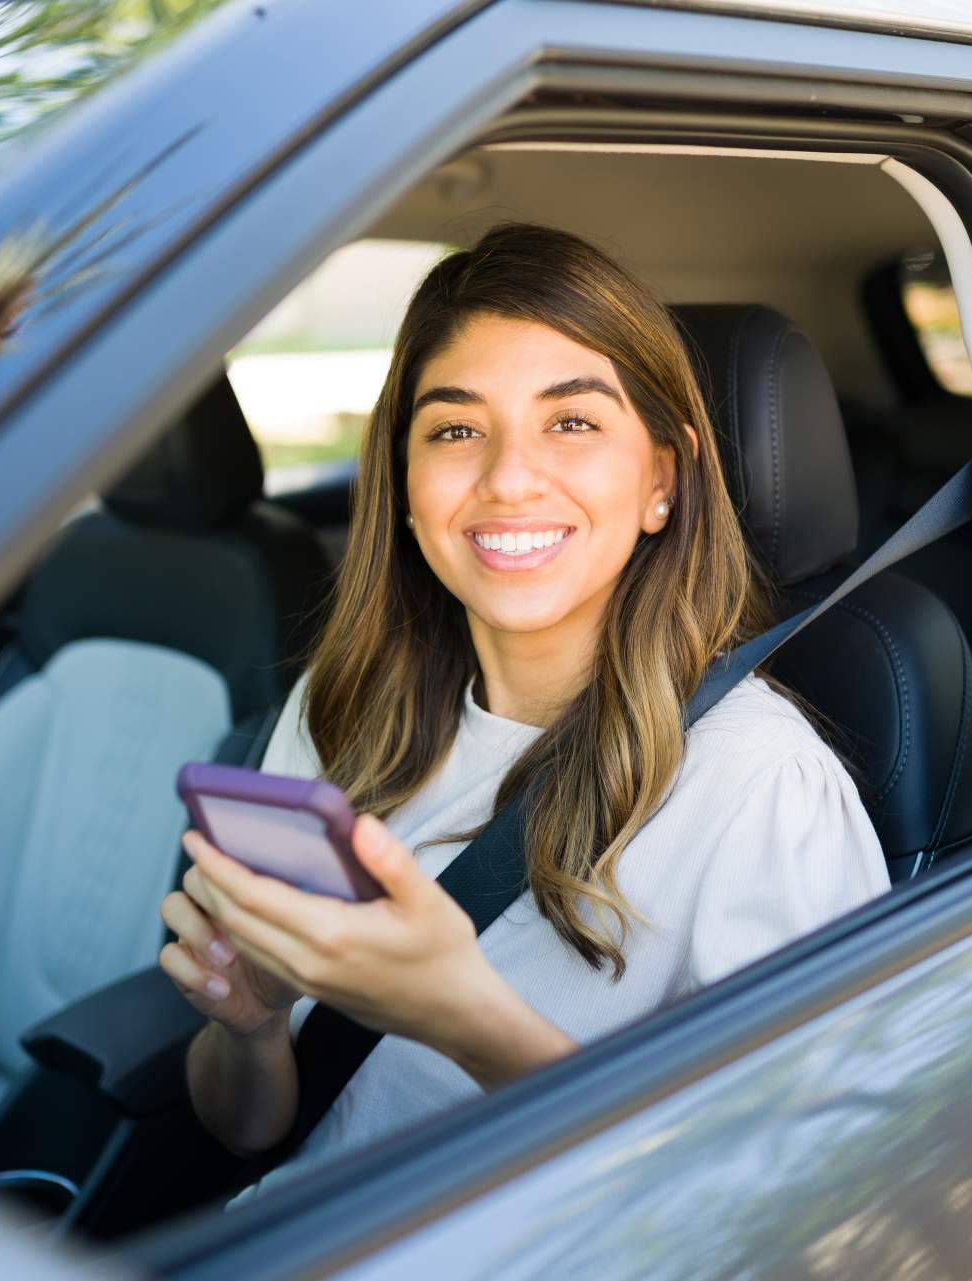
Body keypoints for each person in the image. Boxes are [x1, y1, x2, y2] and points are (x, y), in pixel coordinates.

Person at [154, 222, 888, 1195]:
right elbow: (253, 1133)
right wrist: (246, 1028)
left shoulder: (763, 788)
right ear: (407, 487)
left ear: (661, 480)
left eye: (572, 423)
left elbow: (801, 1204)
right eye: (456, 429)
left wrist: (458, 1011)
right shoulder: (342, 715)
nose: (506, 478)